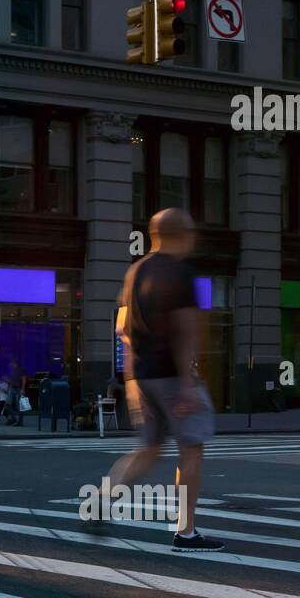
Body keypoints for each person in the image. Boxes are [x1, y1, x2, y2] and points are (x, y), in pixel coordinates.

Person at [106, 207, 221, 552]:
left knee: (149, 449)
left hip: (142, 376)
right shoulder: (179, 272)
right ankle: (186, 532)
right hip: (173, 376)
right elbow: (186, 330)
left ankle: (101, 501)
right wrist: (188, 382)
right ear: (181, 235)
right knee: (193, 449)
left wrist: (130, 379)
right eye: (190, 232)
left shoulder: (135, 271)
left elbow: (122, 329)